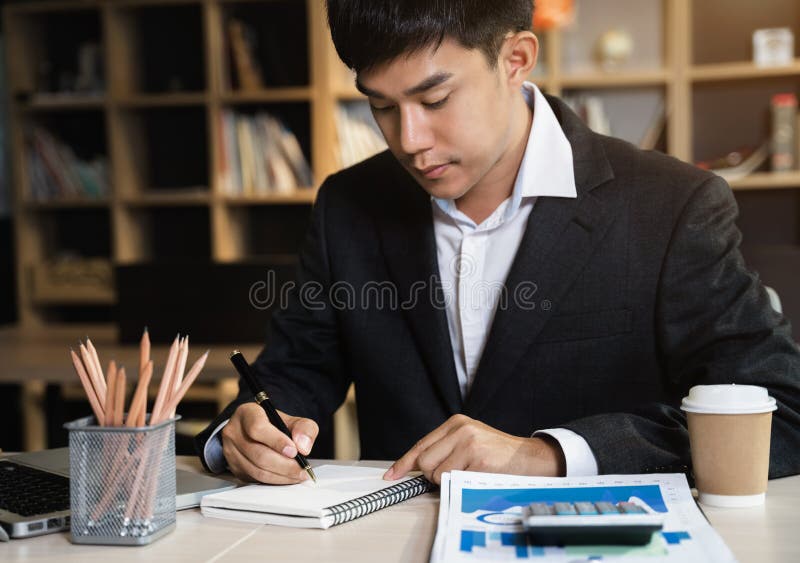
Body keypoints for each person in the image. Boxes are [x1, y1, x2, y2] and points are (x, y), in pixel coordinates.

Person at [196, 0, 800, 486]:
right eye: (381, 106)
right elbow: (295, 371)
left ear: (516, 58)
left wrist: (551, 454)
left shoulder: (670, 205)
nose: (409, 140)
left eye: (435, 100)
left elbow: (784, 411)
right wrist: (246, 433)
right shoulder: (347, 205)